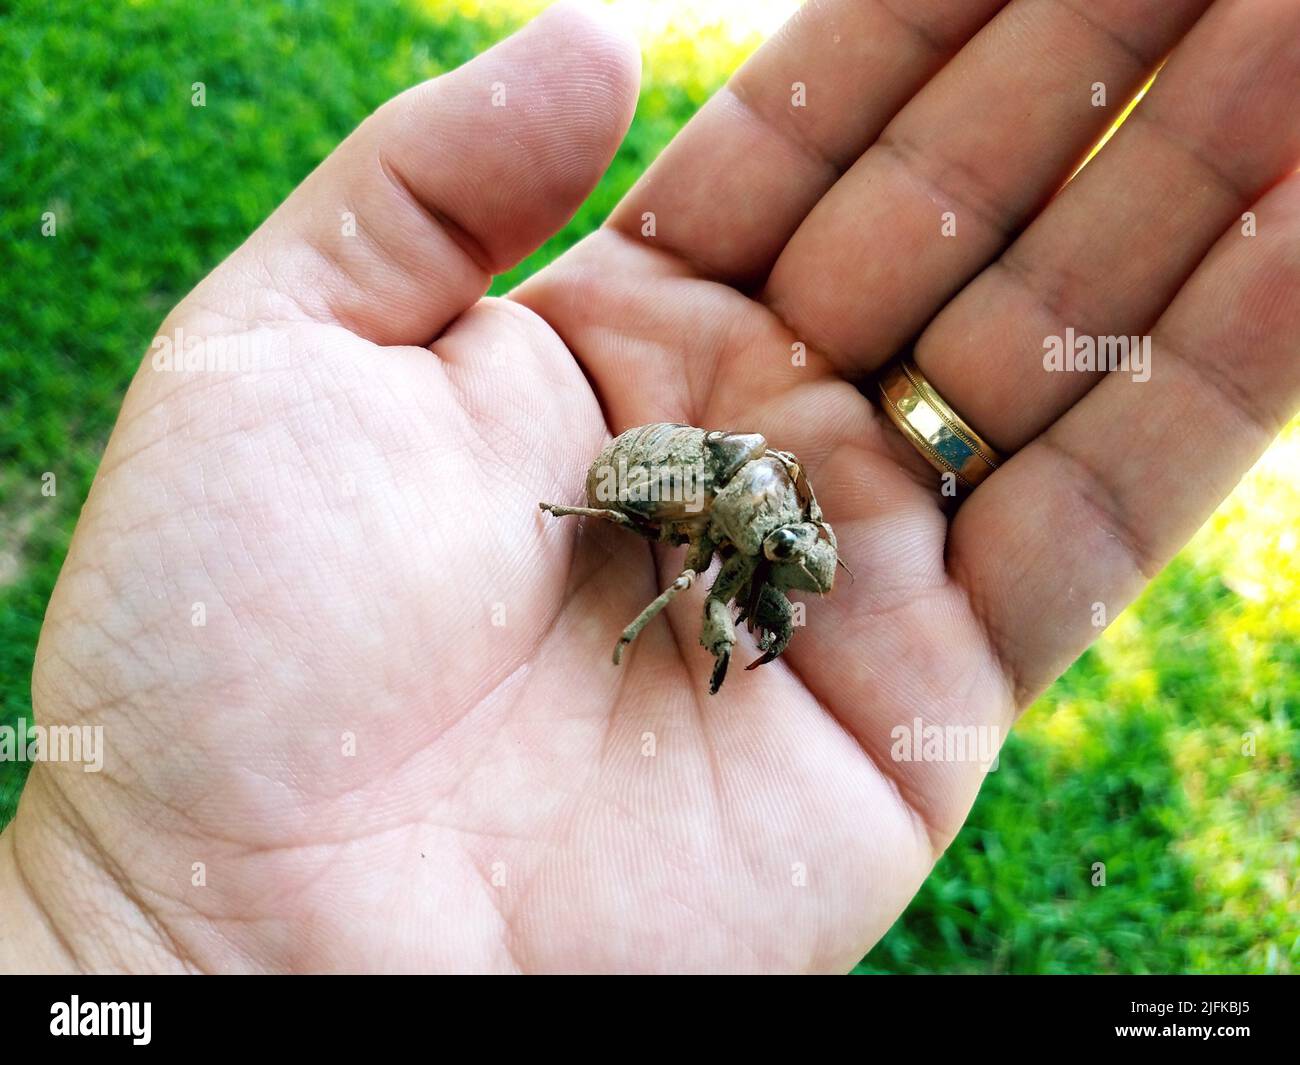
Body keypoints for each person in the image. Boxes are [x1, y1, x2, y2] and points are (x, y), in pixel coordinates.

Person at [2, 0, 1297, 973]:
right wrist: (120, 919)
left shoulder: (758, 510)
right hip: (638, 479)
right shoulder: (705, 534)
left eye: (780, 548)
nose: (782, 560)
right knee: (641, 563)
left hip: (696, 471)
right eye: (774, 552)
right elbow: (676, 585)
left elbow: (770, 496)